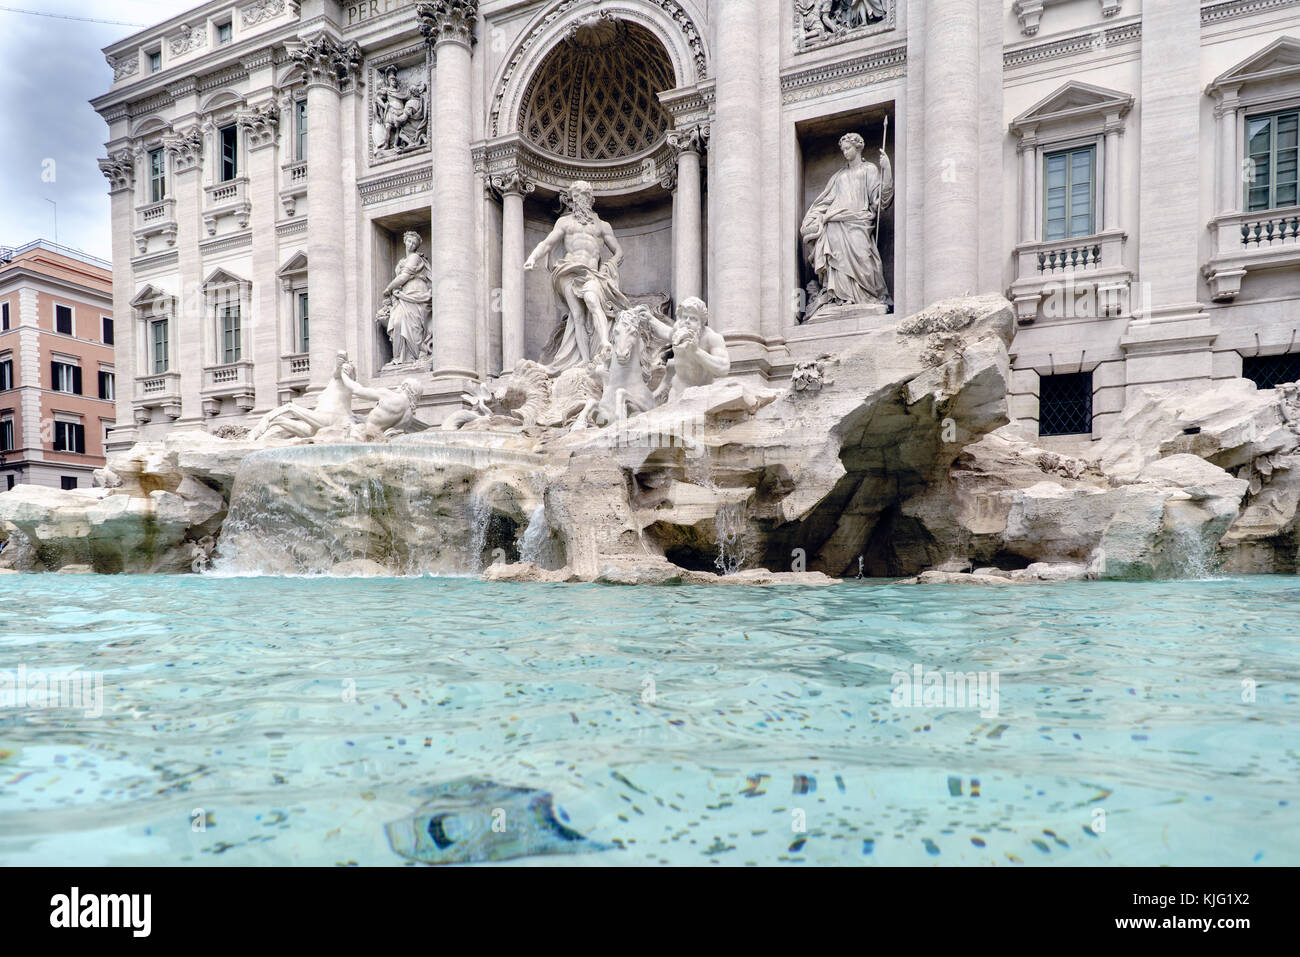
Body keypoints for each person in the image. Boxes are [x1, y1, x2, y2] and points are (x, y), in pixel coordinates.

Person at [524, 180, 630, 371]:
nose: (580, 200)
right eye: (576, 196)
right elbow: (547, 244)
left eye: (584, 195)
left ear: (591, 199)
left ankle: (605, 342)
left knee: (592, 299)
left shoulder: (602, 226)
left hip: (591, 273)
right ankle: (585, 360)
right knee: (577, 315)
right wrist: (533, 257)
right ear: (572, 200)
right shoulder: (564, 222)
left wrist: (610, 264)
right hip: (568, 270)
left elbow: (619, 252)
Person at [799, 131, 894, 312]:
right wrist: (814, 218)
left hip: (859, 221)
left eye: (848, 148)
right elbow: (825, 201)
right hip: (835, 223)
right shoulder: (838, 176)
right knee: (837, 262)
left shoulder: (870, 169)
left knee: (863, 256)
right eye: (842, 150)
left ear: (857, 148)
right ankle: (841, 298)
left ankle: (867, 296)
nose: (845, 152)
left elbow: (880, 200)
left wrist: (887, 169)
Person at [249, 350, 357, 441]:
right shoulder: (332, 384)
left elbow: (341, 363)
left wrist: (343, 361)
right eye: (338, 363)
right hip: (317, 424)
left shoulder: (346, 379)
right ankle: (254, 440)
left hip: (332, 420)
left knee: (290, 407)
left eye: (340, 363)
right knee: (279, 421)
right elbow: (337, 369)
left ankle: (267, 418)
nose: (338, 367)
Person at [643, 297, 730, 402]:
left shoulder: (711, 338)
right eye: (685, 317)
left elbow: (724, 367)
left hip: (702, 393)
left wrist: (696, 351)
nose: (687, 322)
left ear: (702, 323)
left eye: (693, 318)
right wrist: (650, 319)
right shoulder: (678, 329)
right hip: (677, 391)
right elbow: (666, 332)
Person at [377, 231, 432, 365]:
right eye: (409, 241)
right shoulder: (402, 261)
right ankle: (399, 358)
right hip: (403, 296)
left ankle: (414, 356)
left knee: (413, 326)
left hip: (416, 293)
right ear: (404, 241)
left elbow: (404, 277)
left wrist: (388, 288)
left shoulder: (415, 258)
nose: (411, 244)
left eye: (414, 243)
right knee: (397, 322)